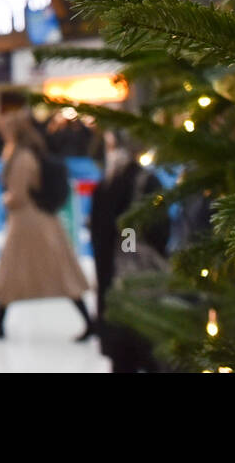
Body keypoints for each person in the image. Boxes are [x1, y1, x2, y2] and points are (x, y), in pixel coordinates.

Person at [0, 110, 93, 340]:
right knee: (54, 273)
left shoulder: (21, 157)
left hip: (28, 222)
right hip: (36, 221)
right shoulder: (27, 153)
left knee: (16, 272)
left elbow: (18, 194)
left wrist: (5, 199)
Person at [88, 131, 169, 373]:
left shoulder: (106, 183)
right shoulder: (147, 181)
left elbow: (99, 234)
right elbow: (159, 230)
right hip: (144, 286)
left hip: (113, 284)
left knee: (121, 360)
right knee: (151, 353)